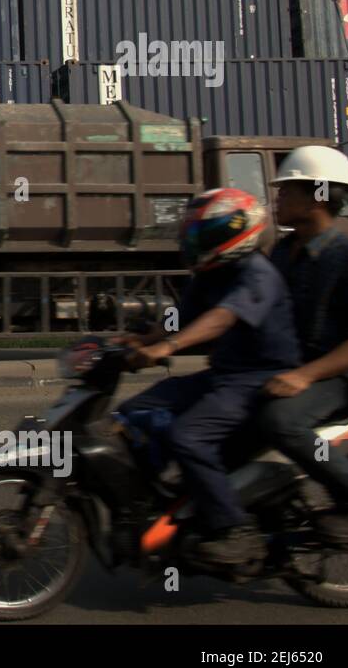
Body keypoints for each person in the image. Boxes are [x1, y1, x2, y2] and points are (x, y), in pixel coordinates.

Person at [116, 188, 301, 565]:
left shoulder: (256, 273)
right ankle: (161, 501)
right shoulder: (210, 272)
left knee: (189, 436)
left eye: (202, 233)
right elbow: (180, 317)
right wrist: (140, 339)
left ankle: (233, 529)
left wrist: (168, 348)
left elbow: (222, 317)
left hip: (258, 380)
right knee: (132, 413)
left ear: (231, 233)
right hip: (223, 376)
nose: (192, 240)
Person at [258, 146, 348, 547]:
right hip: (292, 366)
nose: (277, 199)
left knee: (281, 421)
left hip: (345, 376)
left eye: (287, 191)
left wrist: (303, 375)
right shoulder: (281, 255)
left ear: (318, 196)